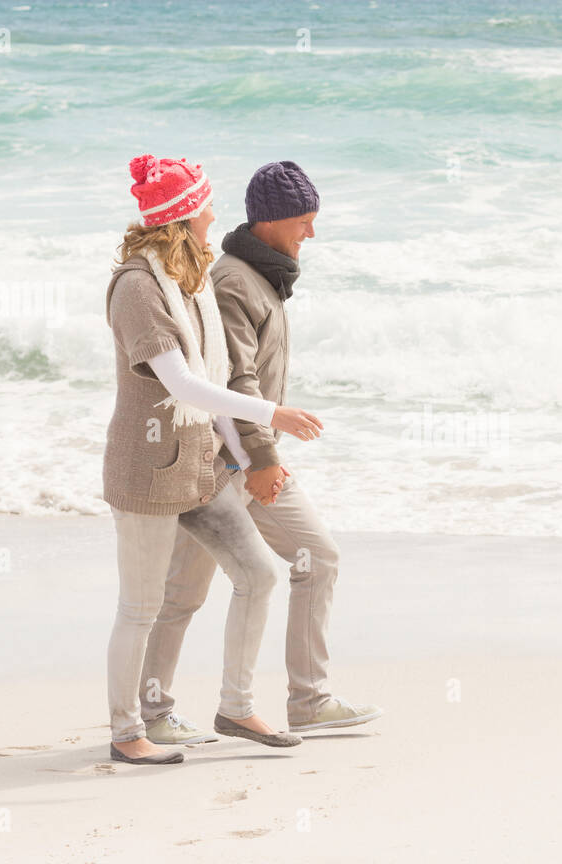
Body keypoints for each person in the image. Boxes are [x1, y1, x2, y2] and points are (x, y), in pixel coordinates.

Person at [139, 160, 382, 737]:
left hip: (248, 457)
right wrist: (263, 459)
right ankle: (153, 713)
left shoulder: (263, 275)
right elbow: (233, 379)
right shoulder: (234, 282)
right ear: (270, 222)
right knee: (183, 594)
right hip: (223, 465)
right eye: (304, 222)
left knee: (316, 558)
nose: (311, 234)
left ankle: (309, 699)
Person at [103, 154, 324, 765]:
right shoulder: (138, 288)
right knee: (141, 608)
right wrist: (271, 417)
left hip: (200, 469)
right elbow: (183, 386)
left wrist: (253, 449)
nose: (213, 220)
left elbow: (214, 380)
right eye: (204, 210)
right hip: (146, 473)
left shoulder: (189, 285)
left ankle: (237, 706)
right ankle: (128, 734)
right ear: (180, 221)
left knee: (259, 575)